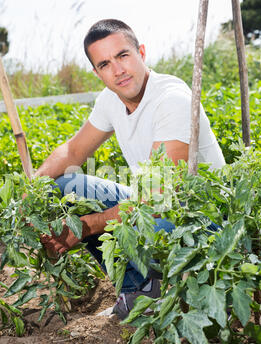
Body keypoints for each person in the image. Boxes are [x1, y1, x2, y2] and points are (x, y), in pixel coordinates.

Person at [37, 19, 226, 319]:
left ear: (141, 52)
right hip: (155, 203)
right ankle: (139, 291)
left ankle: (199, 296)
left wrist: (88, 225)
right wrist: (29, 194)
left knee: (151, 231)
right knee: (67, 189)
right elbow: (73, 151)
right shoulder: (111, 100)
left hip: (202, 221)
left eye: (123, 55)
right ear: (97, 72)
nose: (118, 70)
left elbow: (163, 195)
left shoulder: (171, 100)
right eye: (105, 64)